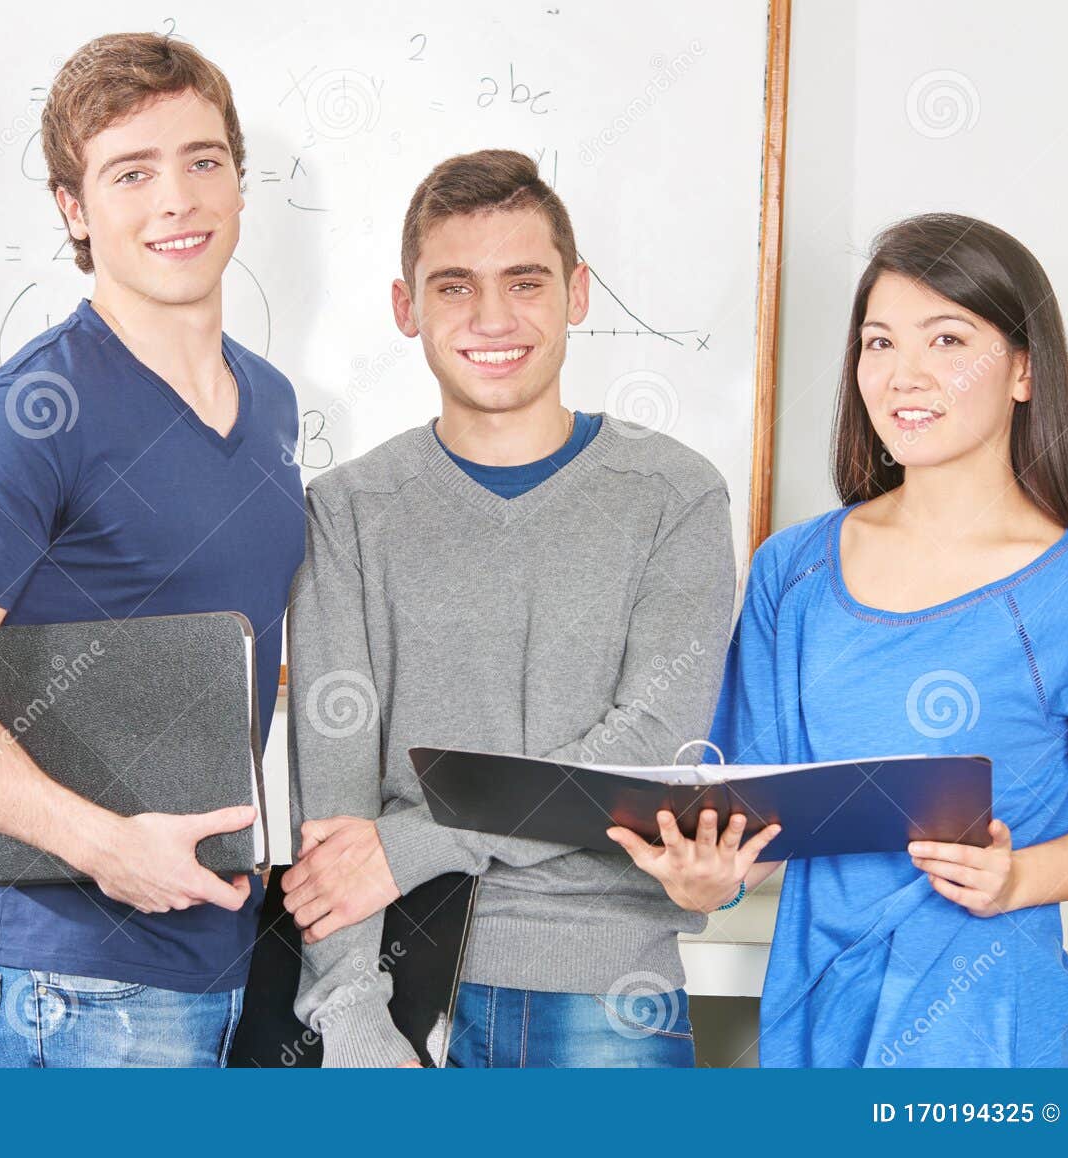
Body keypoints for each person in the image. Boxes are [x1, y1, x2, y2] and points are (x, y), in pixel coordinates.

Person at [628, 213, 1068, 1067]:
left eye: (947, 340)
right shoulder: (793, 571)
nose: (905, 375)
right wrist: (710, 876)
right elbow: (749, 813)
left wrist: (1024, 878)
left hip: (988, 1042)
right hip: (815, 1028)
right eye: (878, 342)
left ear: (1022, 370)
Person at [0, 33, 304, 1067]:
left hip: (236, 961)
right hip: (79, 988)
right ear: (73, 208)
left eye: (202, 161)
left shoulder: (269, 401)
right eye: (130, 173)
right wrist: (104, 846)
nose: (177, 201)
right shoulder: (28, 414)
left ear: (238, 178)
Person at [280, 149, 763, 1068]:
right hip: (403, 983)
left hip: (608, 991)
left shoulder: (673, 496)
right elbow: (333, 819)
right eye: (454, 285)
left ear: (578, 293)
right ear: (405, 307)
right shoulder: (345, 511)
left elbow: (644, 754)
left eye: (525, 281)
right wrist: (349, 1018)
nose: (492, 318)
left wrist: (424, 839)